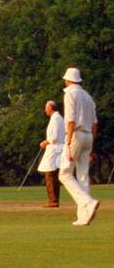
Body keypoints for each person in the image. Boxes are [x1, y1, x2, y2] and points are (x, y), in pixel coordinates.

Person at [58, 67, 99, 226]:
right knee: (82, 175)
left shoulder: (70, 94)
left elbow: (70, 120)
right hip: (88, 135)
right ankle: (84, 216)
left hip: (76, 134)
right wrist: (91, 143)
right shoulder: (88, 96)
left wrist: (68, 142)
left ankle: (87, 202)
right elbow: (95, 123)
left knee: (65, 174)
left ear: (68, 80)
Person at [37, 100, 65, 208]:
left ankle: (53, 201)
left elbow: (54, 137)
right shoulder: (56, 118)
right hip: (55, 148)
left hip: (55, 149)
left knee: (50, 175)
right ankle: (53, 199)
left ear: (50, 108)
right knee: (52, 175)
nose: (45, 110)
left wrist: (45, 142)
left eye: (46, 108)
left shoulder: (56, 119)